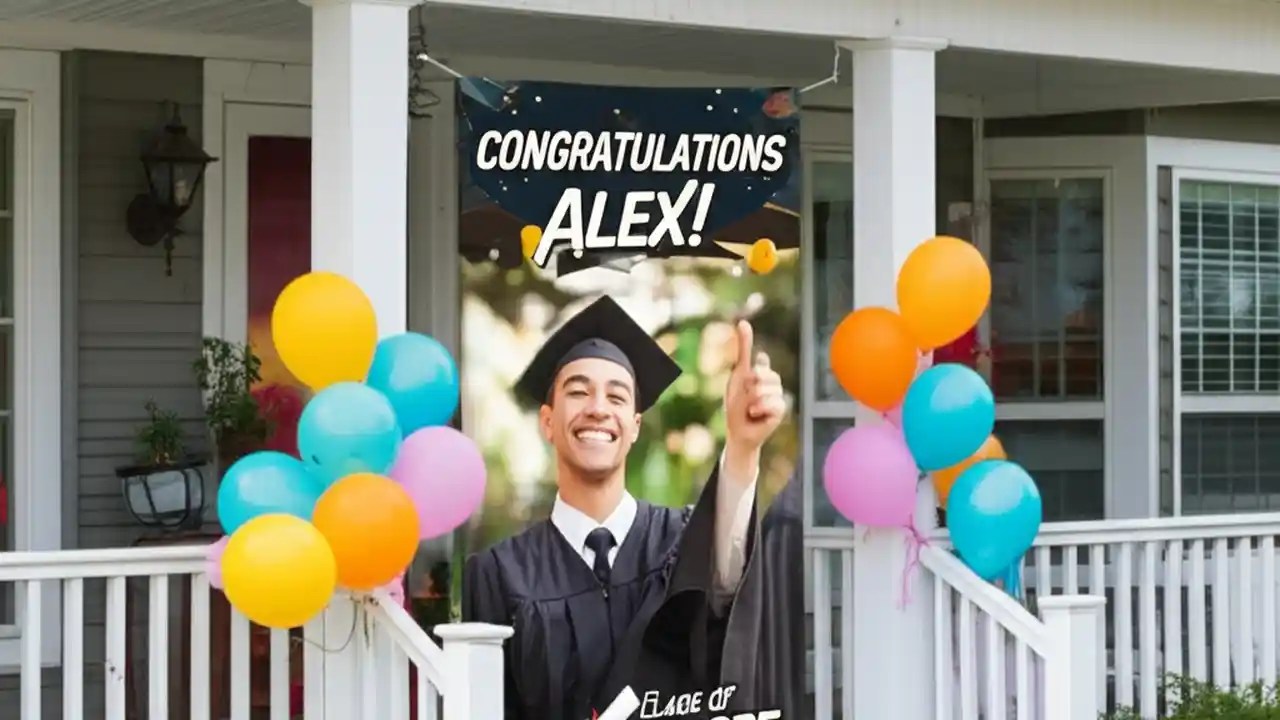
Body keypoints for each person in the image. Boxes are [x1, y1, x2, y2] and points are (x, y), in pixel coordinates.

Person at [461, 295, 792, 719]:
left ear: (634, 427)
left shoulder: (681, 542)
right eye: (579, 392)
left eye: (617, 398)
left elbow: (727, 582)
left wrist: (743, 447)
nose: (598, 409)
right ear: (548, 421)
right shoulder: (498, 574)